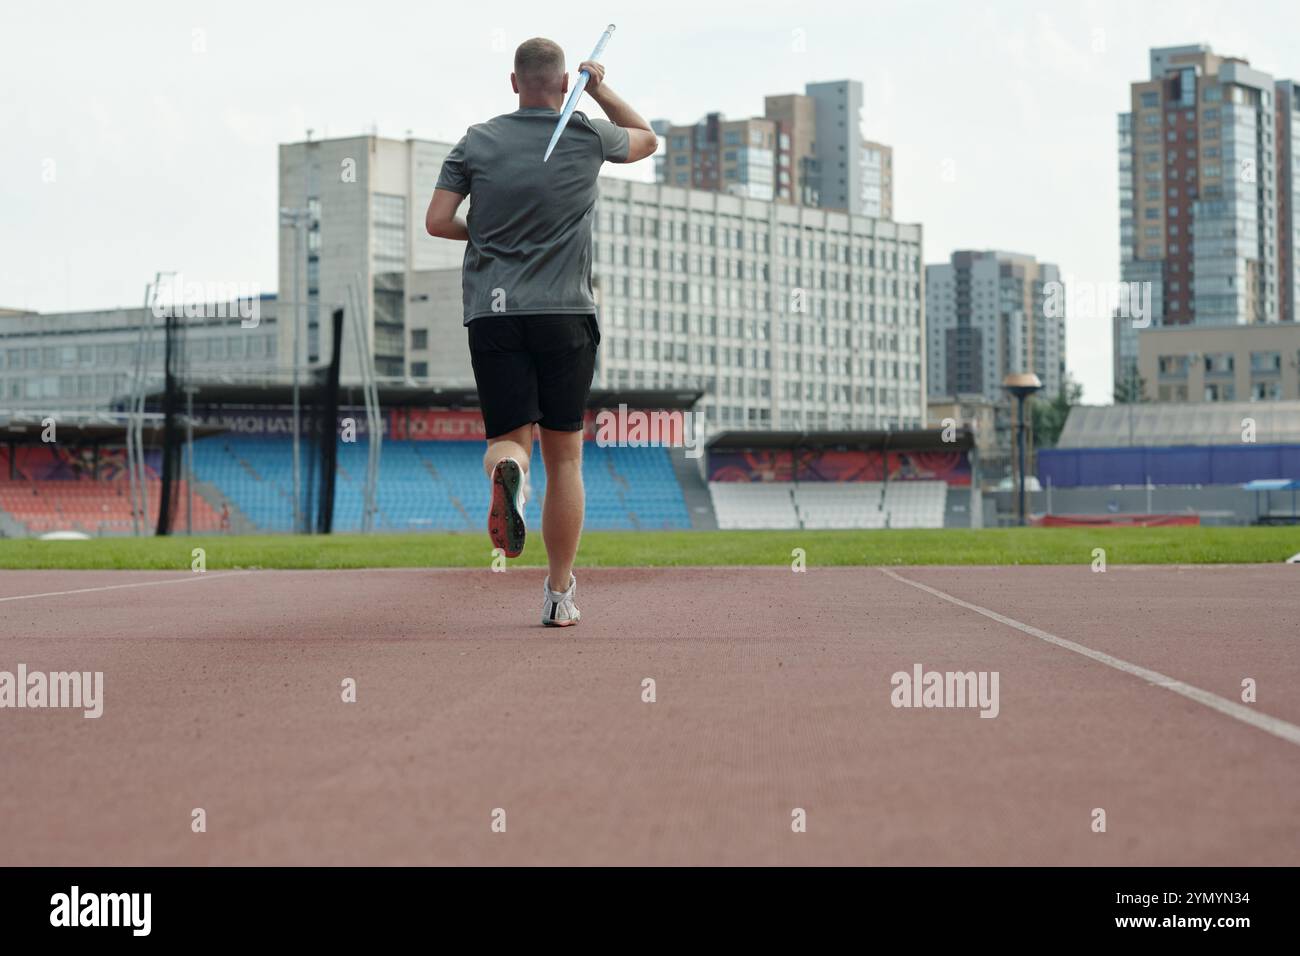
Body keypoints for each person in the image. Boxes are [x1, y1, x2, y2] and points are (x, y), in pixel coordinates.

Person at [426, 37, 656, 626]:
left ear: (513, 83)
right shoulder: (586, 133)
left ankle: (511, 476)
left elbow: (437, 222)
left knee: (508, 440)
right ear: (562, 84)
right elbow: (647, 139)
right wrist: (599, 87)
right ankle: (559, 596)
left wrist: (486, 235)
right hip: (565, 314)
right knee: (568, 460)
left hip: (494, 312)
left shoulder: (476, 141)